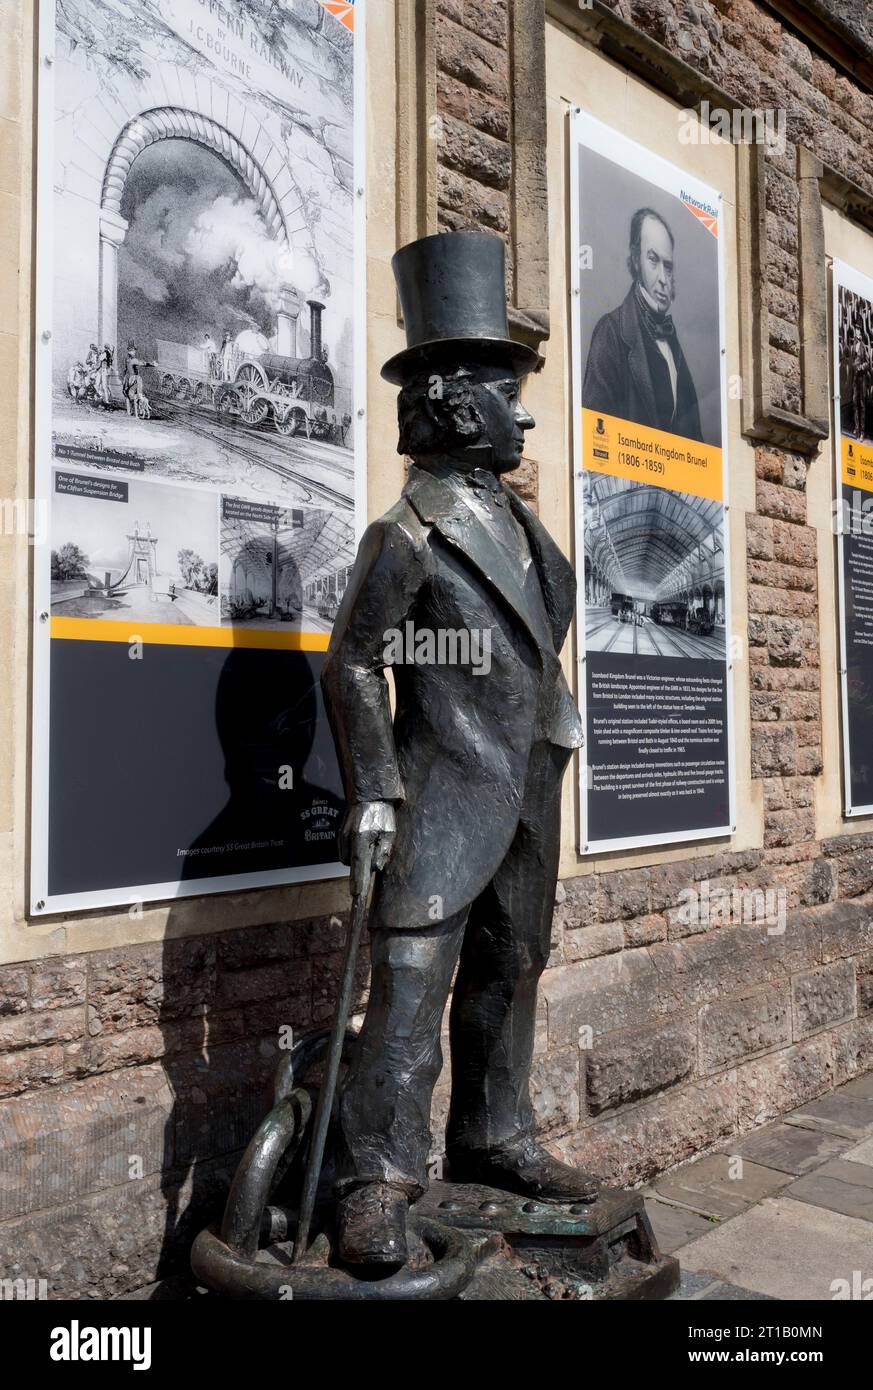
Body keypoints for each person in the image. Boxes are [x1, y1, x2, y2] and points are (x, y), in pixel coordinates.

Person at [322, 231, 597, 1270]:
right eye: (503, 389)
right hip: (443, 785)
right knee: (411, 976)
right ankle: (378, 1176)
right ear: (448, 401)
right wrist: (378, 789)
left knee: (513, 965)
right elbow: (352, 664)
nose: (523, 410)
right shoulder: (408, 532)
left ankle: (496, 1133)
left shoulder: (529, 532)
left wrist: (556, 726)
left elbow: (543, 641)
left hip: (529, 779)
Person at [582, 207, 703, 442]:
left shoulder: (672, 342)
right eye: (653, 260)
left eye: (667, 266)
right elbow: (594, 434)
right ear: (636, 259)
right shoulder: (610, 332)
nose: (662, 279)